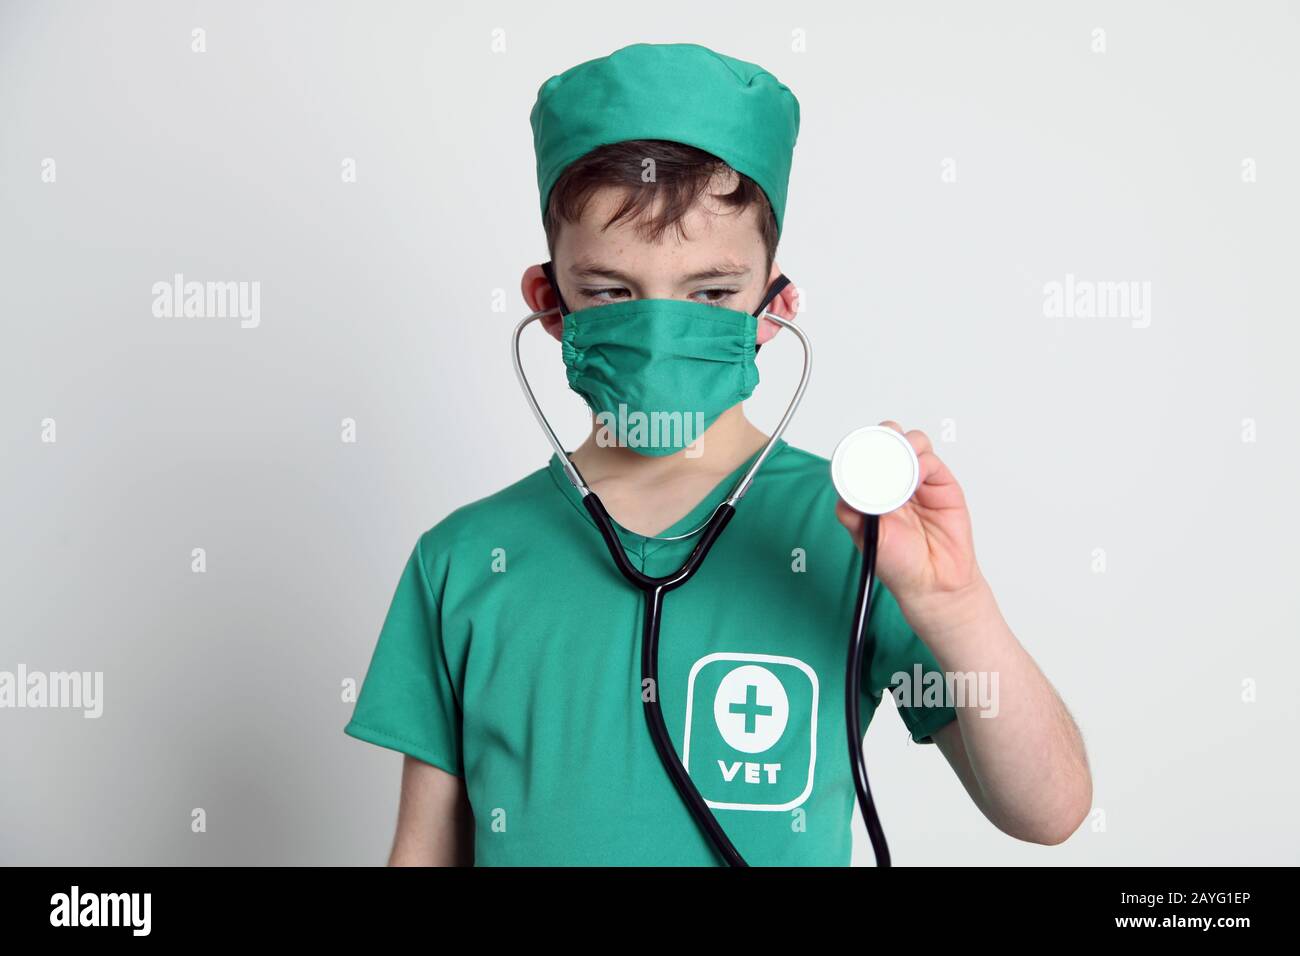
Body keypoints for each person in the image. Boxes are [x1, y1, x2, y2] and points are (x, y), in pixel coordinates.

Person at [343, 42, 1092, 866]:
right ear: (549, 303)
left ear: (776, 303)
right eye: (610, 292)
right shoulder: (461, 564)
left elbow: (1049, 811)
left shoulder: (861, 536)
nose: (663, 330)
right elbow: (422, 854)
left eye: (710, 294)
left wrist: (955, 604)